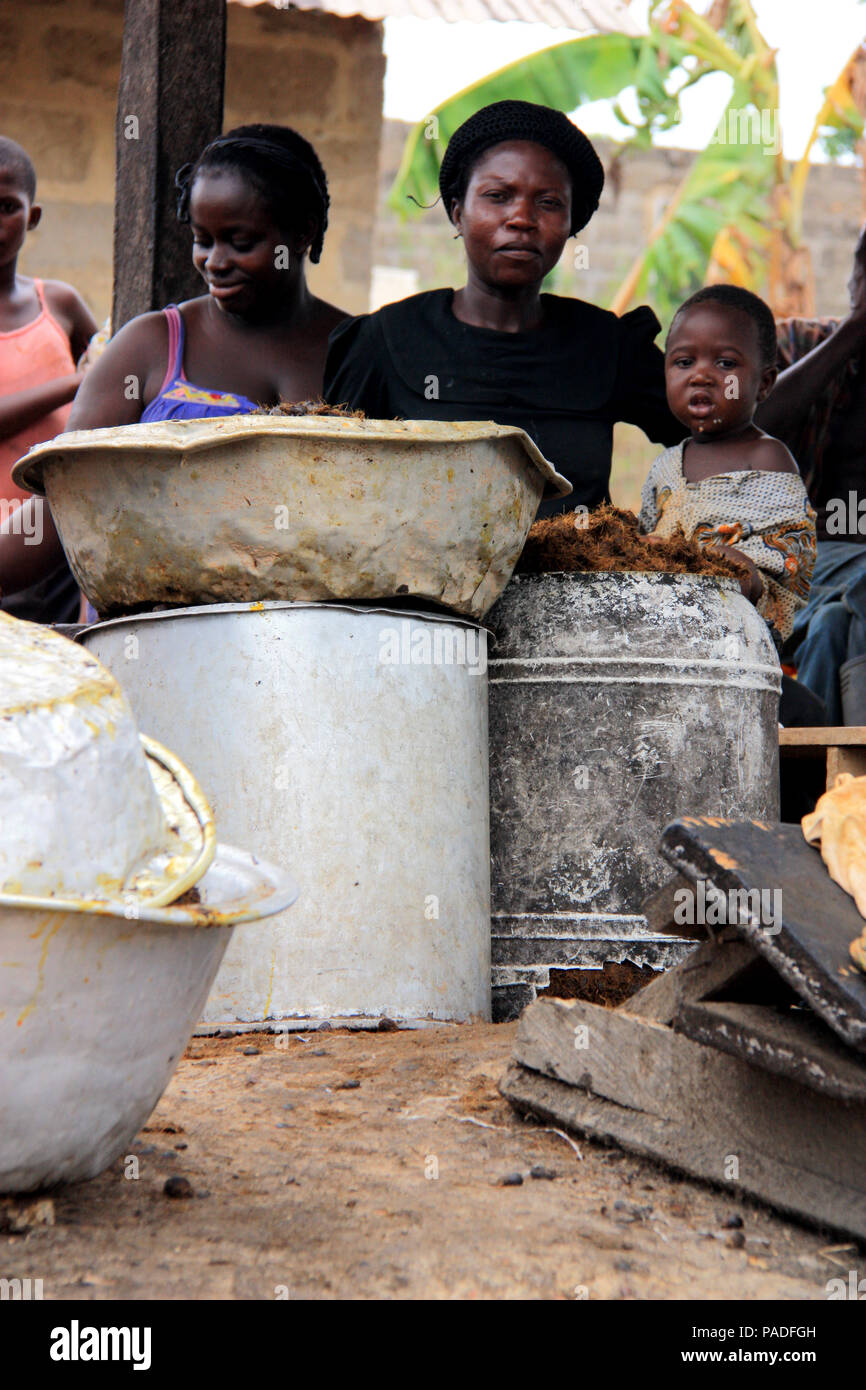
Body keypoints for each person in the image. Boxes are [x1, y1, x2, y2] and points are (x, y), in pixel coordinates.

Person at [1, 124, 347, 608]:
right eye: (203, 240)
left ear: (304, 230)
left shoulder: (357, 349)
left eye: (240, 241)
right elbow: (67, 500)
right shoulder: (151, 348)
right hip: (150, 642)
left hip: (310, 642)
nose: (215, 262)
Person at [324, 100, 681, 516]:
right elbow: (332, 488)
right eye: (498, 196)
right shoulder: (386, 341)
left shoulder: (607, 347)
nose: (521, 218)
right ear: (458, 212)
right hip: (421, 582)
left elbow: (716, 433)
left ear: (571, 224)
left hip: (578, 580)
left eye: (548, 203)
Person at [638, 285, 816, 647]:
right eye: (684, 362)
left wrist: (713, 562)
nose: (701, 376)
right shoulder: (666, 466)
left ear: (764, 383)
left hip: (737, 638)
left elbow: (785, 562)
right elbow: (644, 540)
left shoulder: (766, 457)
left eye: (725, 364)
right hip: (666, 632)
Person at [757, 227, 866, 724]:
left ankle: (825, 785)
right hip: (804, 561)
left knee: (836, 626)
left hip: (838, 596)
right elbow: (746, 424)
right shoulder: (799, 343)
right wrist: (855, 329)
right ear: (854, 278)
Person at [0, 136, 97, 623]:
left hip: (58, 544)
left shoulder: (58, 304)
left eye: (7, 207)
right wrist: (72, 385)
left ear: (32, 217)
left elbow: (108, 381)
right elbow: (88, 382)